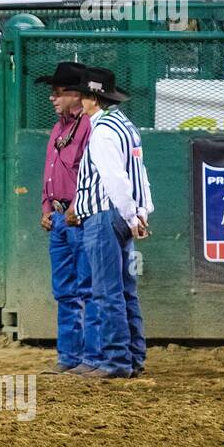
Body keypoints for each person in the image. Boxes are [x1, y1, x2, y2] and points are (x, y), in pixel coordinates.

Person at [66, 66, 153, 380]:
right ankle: (133, 358)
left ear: (91, 99)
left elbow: (115, 179)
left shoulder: (101, 131)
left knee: (107, 292)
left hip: (104, 217)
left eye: (83, 95)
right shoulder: (125, 126)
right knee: (125, 292)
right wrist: (140, 213)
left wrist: (132, 214)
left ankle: (116, 361)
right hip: (120, 216)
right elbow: (137, 174)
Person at [36, 62, 95, 373]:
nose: (52, 98)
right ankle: (69, 357)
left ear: (76, 95)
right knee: (65, 291)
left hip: (79, 215)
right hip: (60, 217)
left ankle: (91, 358)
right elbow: (50, 171)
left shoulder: (89, 127)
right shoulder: (60, 127)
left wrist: (76, 205)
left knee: (86, 289)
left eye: (58, 92)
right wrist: (46, 207)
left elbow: (90, 173)